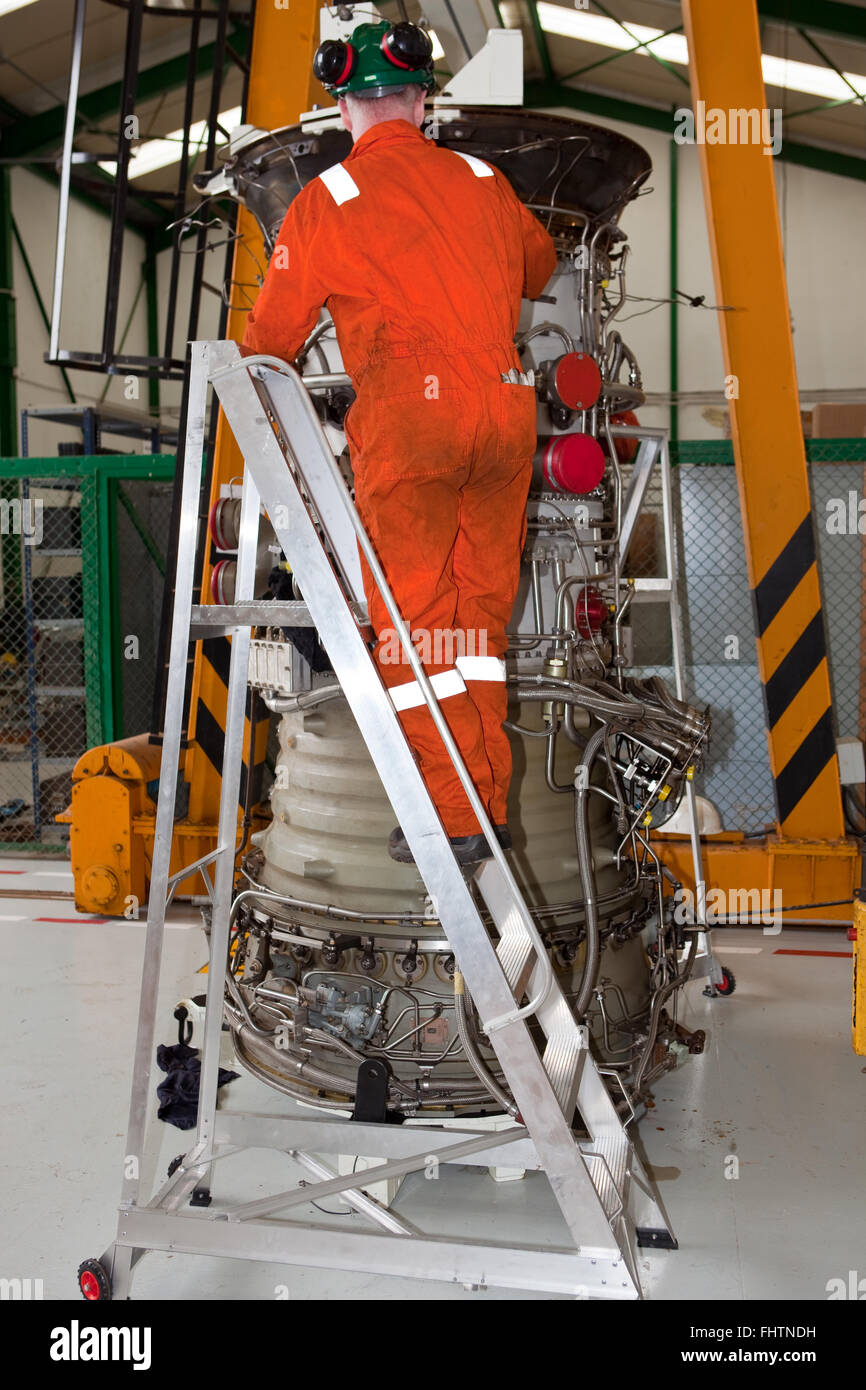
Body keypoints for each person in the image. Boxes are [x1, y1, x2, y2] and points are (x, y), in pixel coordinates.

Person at [242, 20, 557, 865]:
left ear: (346, 109)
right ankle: (482, 802)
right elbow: (539, 267)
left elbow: (266, 343)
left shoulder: (327, 202)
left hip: (411, 423)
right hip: (504, 411)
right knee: (475, 628)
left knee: (415, 632)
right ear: (423, 100)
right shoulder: (484, 177)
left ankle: (456, 818)